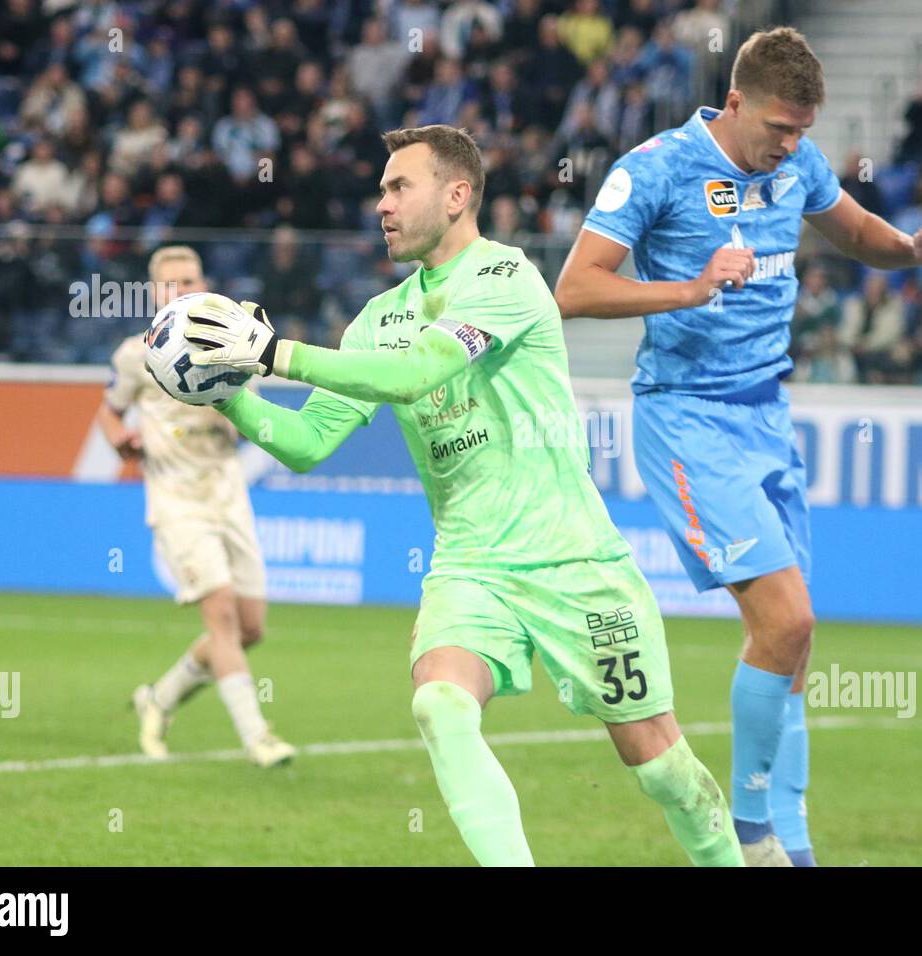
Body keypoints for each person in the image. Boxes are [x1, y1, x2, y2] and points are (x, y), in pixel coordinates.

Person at [180, 125, 744, 867]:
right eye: (381, 189)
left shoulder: (508, 279)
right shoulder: (376, 319)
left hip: (572, 559)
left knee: (660, 766)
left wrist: (273, 353)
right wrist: (225, 393)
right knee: (439, 705)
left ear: (456, 195)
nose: (380, 204)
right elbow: (309, 443)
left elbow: (419, 373)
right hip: (470, 566)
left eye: (397, 187)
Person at [554, 27, 922, 866]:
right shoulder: (657, 168)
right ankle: (748, 835)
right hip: (689, 416)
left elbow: (856, 235)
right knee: (788, 620)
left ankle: (796, 844)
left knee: (791, 645)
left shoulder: (797, 163)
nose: (792, 146)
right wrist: (693, 287)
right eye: (780, 128)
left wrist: (913, 250)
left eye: (803, 132)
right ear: (735, 102)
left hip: (766, 416)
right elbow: (574, 288)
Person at [97, 245, 294, 767]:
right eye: (171, 283)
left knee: (250, 628)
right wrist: (121, 441)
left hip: (228, 492)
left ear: (203, 282)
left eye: (190, 279)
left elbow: (248, 425)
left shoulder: (227, 346)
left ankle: (159, 698)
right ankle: (258, 737)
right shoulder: (135, 354)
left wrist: (236, 413)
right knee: (222, 616)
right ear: (154, 291)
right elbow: (109, 413)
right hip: (176, 498)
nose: (182, 289)